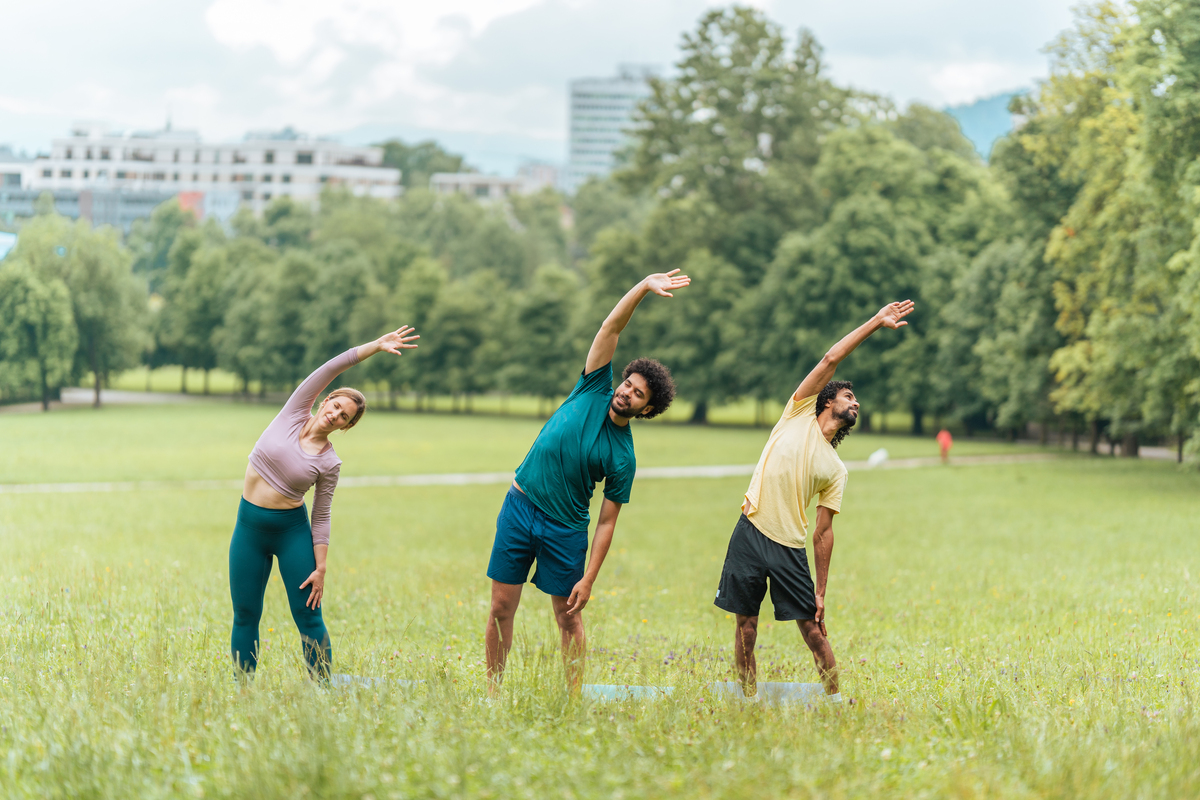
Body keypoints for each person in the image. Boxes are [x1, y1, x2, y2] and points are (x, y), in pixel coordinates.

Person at [484, 270, 691, 694]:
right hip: (520, 507)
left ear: (647, 411)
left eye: (638, 395)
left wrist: (590, 577)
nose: (627, 393)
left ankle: (572, 697)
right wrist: (642, 288)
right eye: (628, 384)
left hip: (566, 530)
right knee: (501, 607)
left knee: (569, 617)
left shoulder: (623, 457)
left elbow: (608, 522)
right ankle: (493, 691)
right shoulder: (593, 386)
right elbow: (610, 326)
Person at [713, 300, 915, 701]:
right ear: (828, 401)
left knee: (814, 631)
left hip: (790, 547)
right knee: (746, 627)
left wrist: (821, 591)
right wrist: (876, 322)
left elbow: (823, 533)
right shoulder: (798, 413)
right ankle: (747, 701)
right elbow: (831, 357)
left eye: (857, 401)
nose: (856, 402)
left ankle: (835, 701)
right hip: (750, 531)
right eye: (849, 396)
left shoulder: (836, 468)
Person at [229, 326, 420, 679]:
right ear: (324, 401)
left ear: (345, 426)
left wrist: (321, 567)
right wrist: (376, 346)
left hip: (291, 534)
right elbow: (331, 368)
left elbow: (321, 515)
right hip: (249, 528)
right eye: (335, 405)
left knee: (308, 616)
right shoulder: (292, 412)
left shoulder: (329, 463)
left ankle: (323, 689)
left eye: (344, 416)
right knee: (245, 613)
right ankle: (243, 690)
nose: (335, 414)